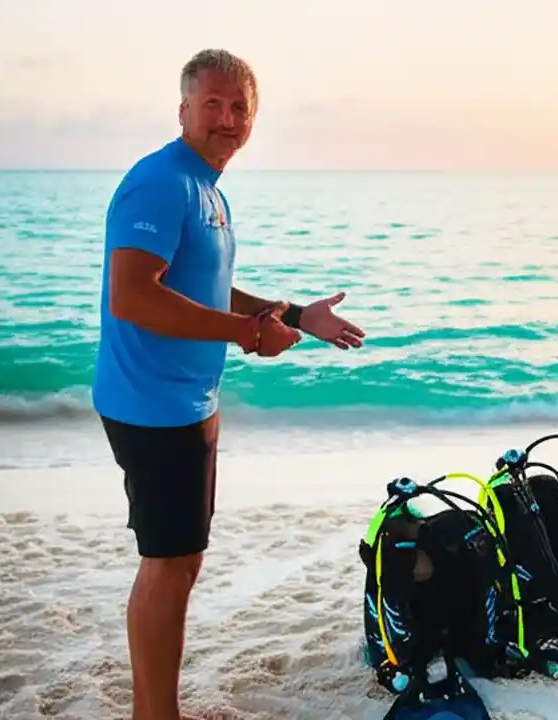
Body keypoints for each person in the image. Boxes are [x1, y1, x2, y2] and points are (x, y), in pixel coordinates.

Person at [92, 49, 366, 720]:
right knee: (167, 563)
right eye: (211, 104)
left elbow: (202, 283)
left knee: (180, 560)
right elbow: (131, 296)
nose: (225, 118)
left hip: (186, 402)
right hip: (154, 405)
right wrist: (245, 335)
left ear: (252, 119)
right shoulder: (161, 181)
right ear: (183, 110)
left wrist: (296, 316)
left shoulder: (207, 187)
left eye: (238, 107)